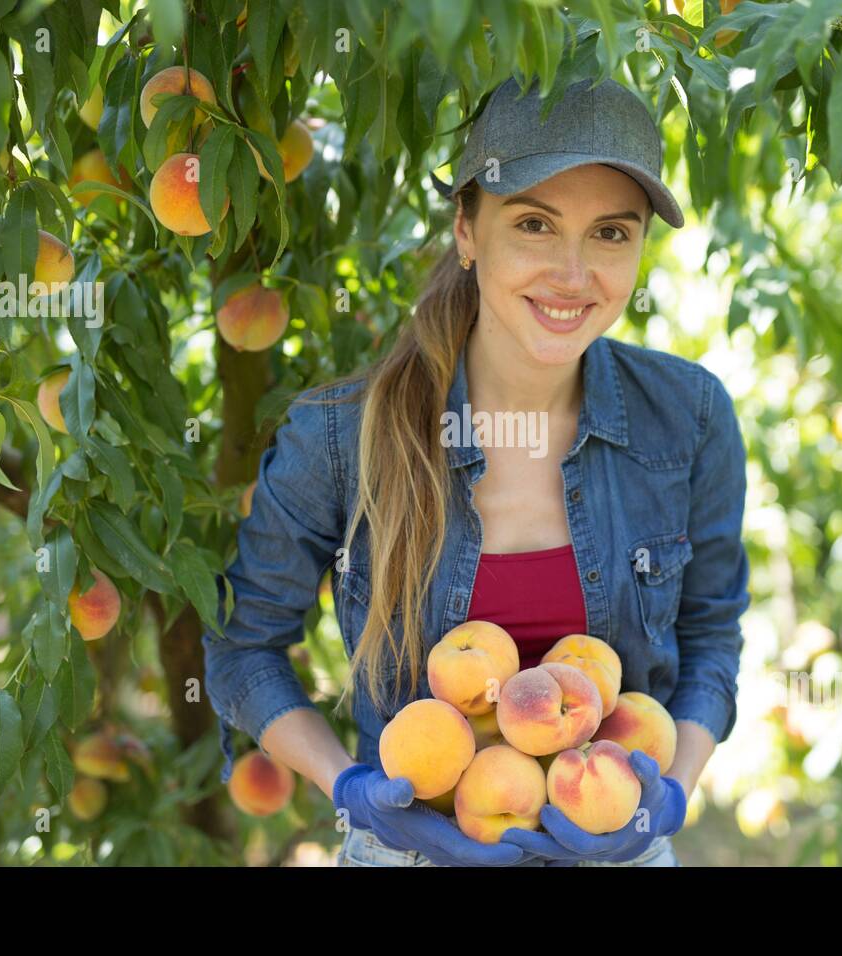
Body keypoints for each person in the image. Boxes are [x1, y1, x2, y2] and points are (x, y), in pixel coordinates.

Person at [204, 75, 750, 867]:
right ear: (466, 228)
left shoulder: (688, 418)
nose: (572, 275)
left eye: (609, 234)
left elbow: (710, 637)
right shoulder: (342, 437)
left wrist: (669, 798)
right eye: (534, 224)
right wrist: (352, 788)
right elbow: (241, 646)